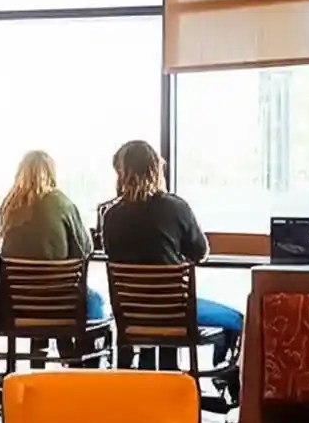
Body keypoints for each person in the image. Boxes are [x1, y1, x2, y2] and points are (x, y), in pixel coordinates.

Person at [101, 140, 243, 394]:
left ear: (121, 173)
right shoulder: (176, 207)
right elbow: (200, 252)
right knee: (239, 319)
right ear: (157, 169)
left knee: (154, 316)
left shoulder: (110, 215)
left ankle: (147, 385)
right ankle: (223, 376)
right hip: (175, 311)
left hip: (131, 313)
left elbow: (114, 256)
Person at [0, 150, 108, 366]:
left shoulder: (8, 206)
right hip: (59, 301)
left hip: (19, 304)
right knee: (96, 301)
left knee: (52, 296)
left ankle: (42, 366)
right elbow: (85, 250)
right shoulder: (60, 202)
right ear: (50, 173)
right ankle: (81, 370)